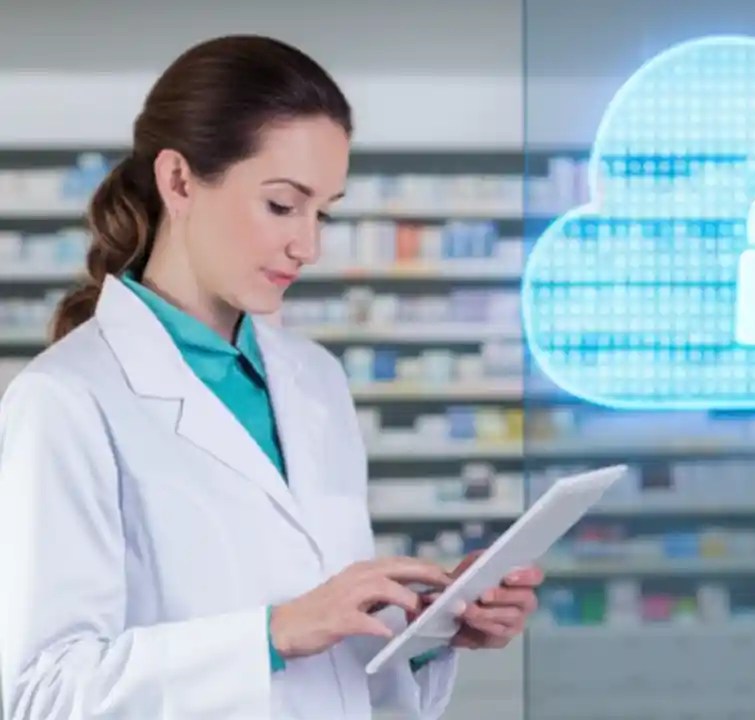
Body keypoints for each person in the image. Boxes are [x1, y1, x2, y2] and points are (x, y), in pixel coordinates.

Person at [0, 34, 542, 720]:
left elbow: (341, 678)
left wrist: (429, 632)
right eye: (283, 205)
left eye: (323, 211)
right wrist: (274, 632)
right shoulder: (66, 399)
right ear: (179, 180)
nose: (307, 245)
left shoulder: (315, 380)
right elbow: (42, 695)